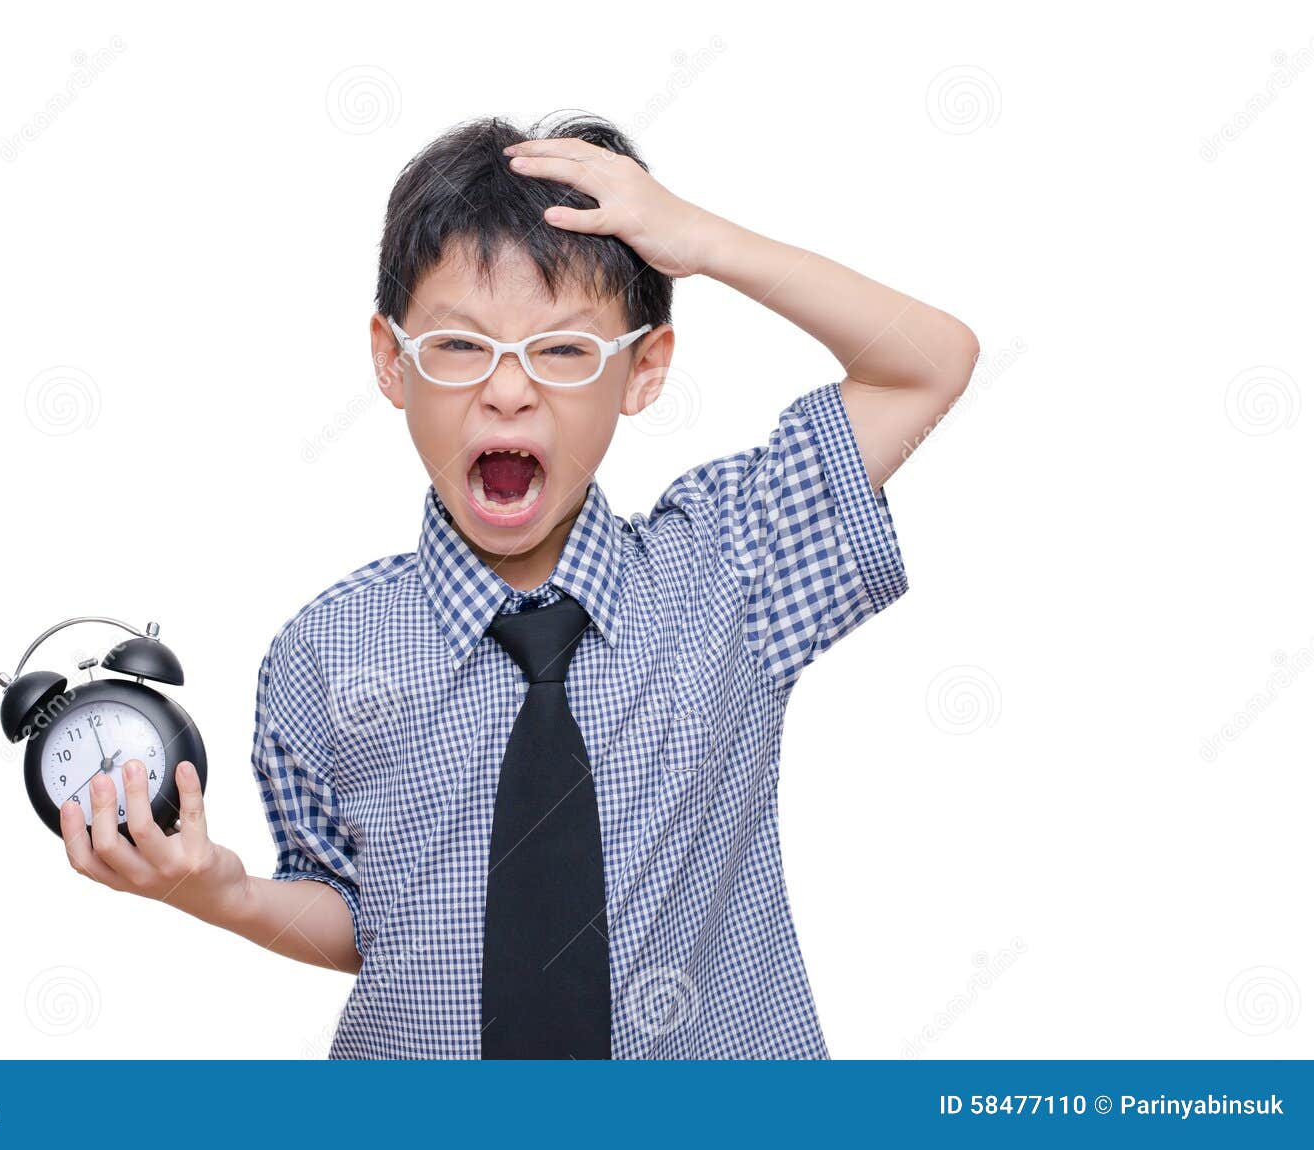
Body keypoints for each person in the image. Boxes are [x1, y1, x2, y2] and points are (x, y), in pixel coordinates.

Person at [59, 112, 978, 1059]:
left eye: (564, 349)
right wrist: (224, 893)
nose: (508, 391)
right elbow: (352, 914)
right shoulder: (323, 653)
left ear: (645, 370)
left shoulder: (733, 569)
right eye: (460, 347)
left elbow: (927, 366)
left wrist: (700, 239)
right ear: (389, 360)